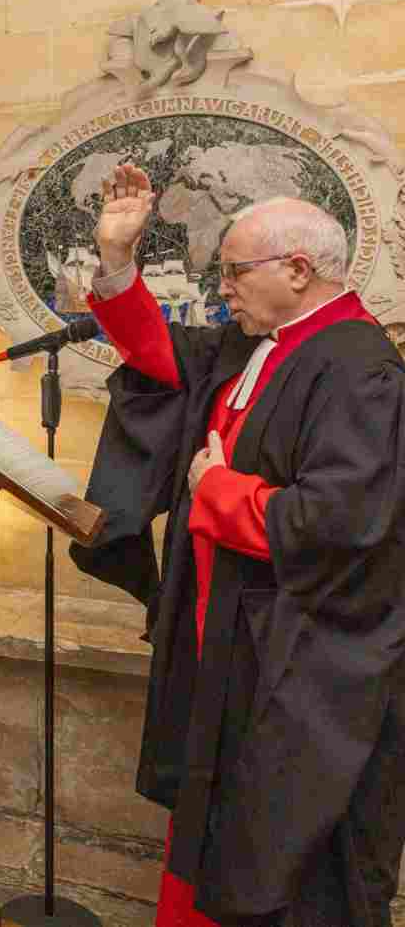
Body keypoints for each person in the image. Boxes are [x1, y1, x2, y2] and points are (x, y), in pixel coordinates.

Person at [71, 164, 405, 925]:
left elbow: (342, 523)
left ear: (298, 269)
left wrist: (216, 490)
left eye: (234, 272)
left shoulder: (360, 370)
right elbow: (158, 357)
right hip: (231, 639)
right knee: (220, 831)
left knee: (285, 855)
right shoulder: (258, 343)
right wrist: (117, 257)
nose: (221, 289)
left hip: (301, 661)